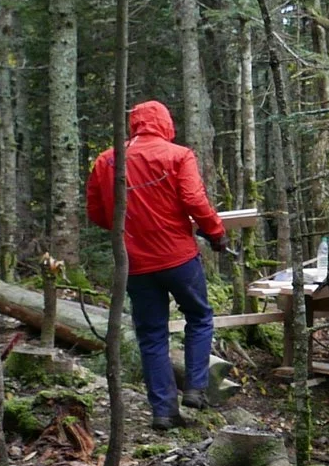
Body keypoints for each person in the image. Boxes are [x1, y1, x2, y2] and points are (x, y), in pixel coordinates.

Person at [87, 100, 229, 429]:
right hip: (178, 257)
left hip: (134, 263)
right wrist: (216, 233)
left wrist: (131, 228)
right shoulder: (178, 155)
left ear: (134, 124)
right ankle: (195, 387)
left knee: (151, 335)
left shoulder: (107, 160)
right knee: (199, 316)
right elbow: (194, 200)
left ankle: (163, 411)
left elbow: (96, 212)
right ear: (165, 123)